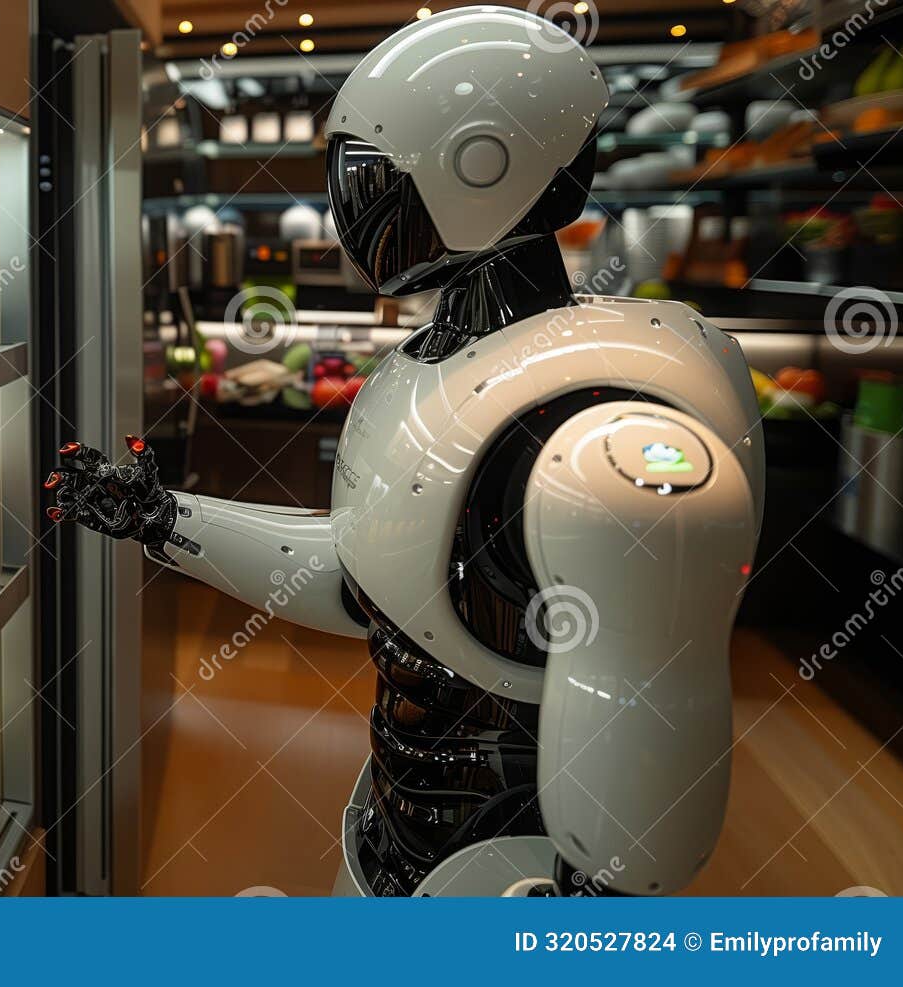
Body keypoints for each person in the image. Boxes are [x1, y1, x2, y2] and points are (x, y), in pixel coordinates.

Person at [45, 7, 763, 897]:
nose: (353, 213)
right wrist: (166, 519)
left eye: (368, 178)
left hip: (516, 870)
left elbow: (645, 808)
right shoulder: (442, 370)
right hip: (394, 831)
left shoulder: (596, 416)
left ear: (479, 167)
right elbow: (373, 586)